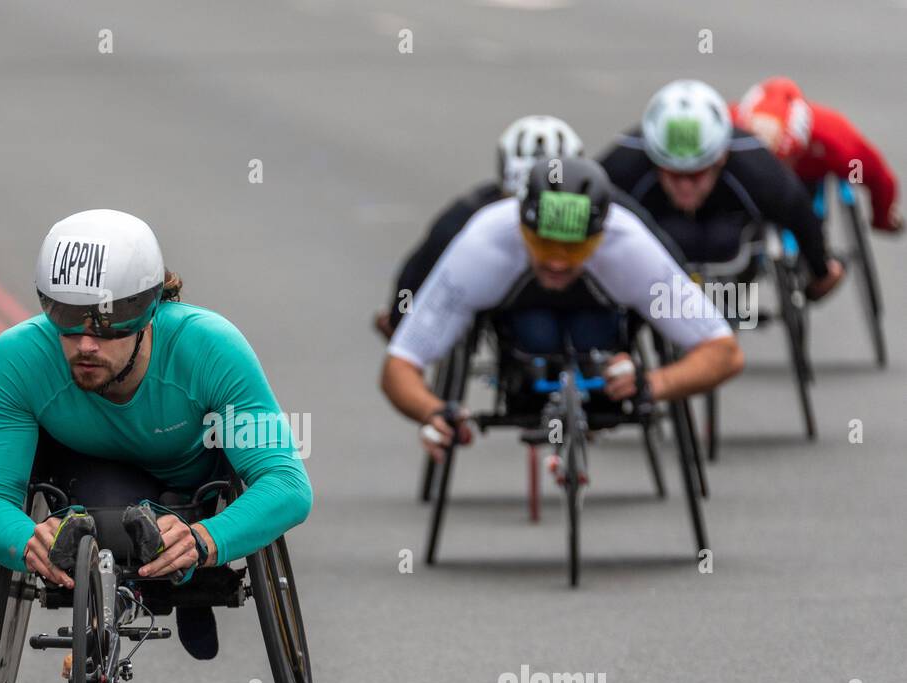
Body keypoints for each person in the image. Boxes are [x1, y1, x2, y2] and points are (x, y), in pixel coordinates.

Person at [0, 209, 313, 667]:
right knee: (105, 498)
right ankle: (112, 599)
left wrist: (206, 539)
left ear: (148, 311)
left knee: (158, 513)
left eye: (108, 322)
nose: (86, 344)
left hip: (191, 486)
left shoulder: (210, 348)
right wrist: (27, 539)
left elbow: (287, 484)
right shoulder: (17, 358)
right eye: (67, 318)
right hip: (85, 485)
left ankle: (173, 575)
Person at [380, 158, 744, 462]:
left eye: (573, 249)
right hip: (521, 337)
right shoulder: (484, 245)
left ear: (601, 234)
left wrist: (652, 384)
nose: (556, 262)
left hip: (601, 333)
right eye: (543, 244)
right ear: (522, 226)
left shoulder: (629, 246)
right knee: (536, 331)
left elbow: (724, 353)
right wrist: (433, 411)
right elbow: (400, 365)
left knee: (589, 331)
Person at [599, 79, 844, 302]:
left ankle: (732, 303)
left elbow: (799, 213)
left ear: (720, 159)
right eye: (673, 174)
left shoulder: (755, 168)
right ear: (654, 161)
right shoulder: (623, 166)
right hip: (661, 230)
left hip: (729, 229)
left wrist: (820, 270)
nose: (685, 186)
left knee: (726, 239)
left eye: (696, 175)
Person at [373, 115, 584, 339]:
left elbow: (415, 274)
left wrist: (400, 316)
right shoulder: (466, 213)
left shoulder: (468, 211)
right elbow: (418, 270)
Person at [733, 76, 902, 233]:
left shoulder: (835, 140)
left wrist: (881, 218)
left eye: (787, 158)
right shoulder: (727, 126)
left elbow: (875, 177)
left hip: (812, 174)